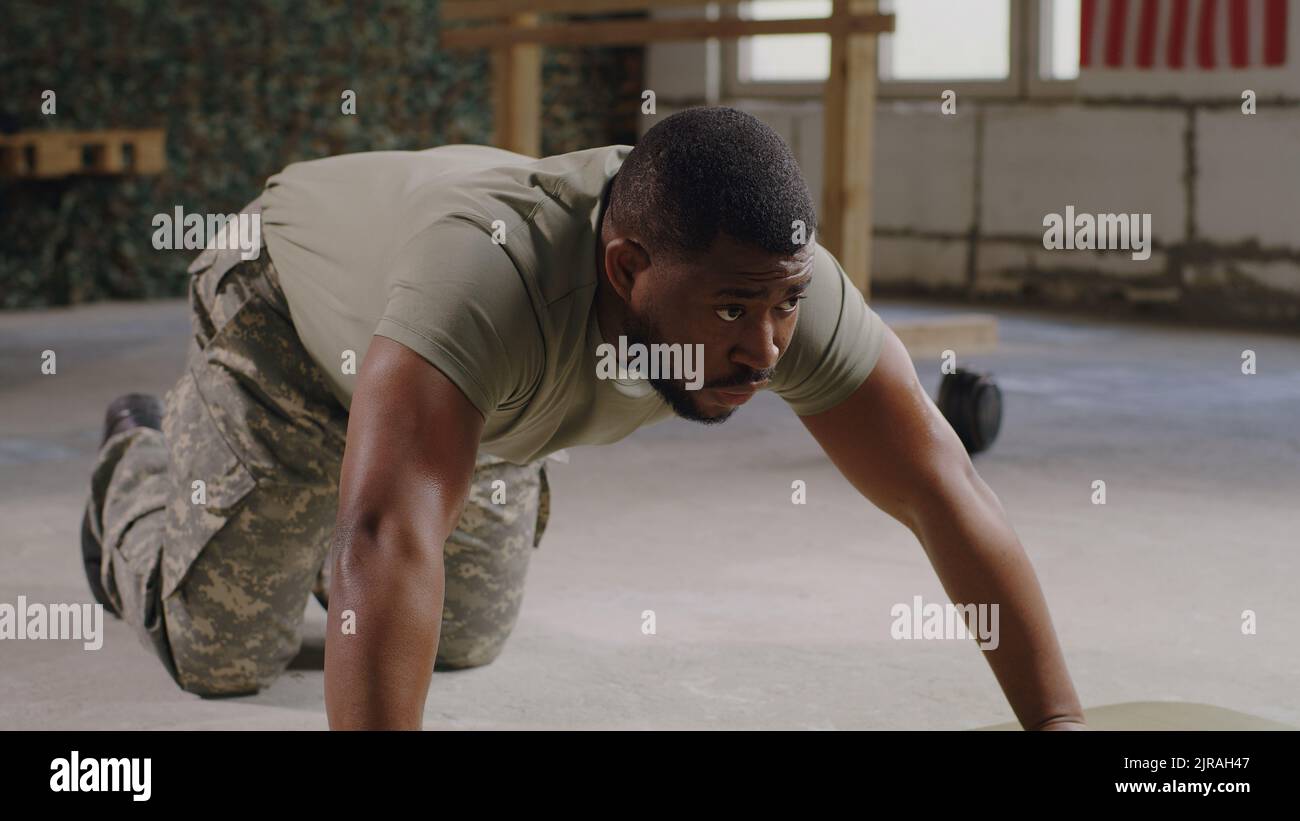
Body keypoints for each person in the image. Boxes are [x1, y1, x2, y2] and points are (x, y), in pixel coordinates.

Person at [82, 106, 1085, 730]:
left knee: (458, 639)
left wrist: (1059, 724)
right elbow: (385, 540)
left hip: (470, 392)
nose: (766, 349)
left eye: (783, 305)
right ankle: (141, 450)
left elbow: (940, 485)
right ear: (625, 268)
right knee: (223, 651)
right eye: (733, 309)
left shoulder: (775, 283)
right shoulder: (486, 277)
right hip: (292, 319)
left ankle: (378, 472)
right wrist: (360, 539)